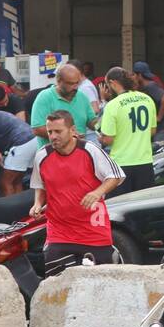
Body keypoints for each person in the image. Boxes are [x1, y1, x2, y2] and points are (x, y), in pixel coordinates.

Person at [29, 110, 123, 274]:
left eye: (58, 131)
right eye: (50, 132)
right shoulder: (42, 155)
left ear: (72, 130)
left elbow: (115, 175)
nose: (53, 136)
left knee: (100, 284)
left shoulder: (90, 150)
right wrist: (37, 204)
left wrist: (97, 192)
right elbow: (40, 185)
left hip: (93, 231)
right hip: (59, 233)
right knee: (58, 285)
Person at [98, 67, 157, 195]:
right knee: (144, 208)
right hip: (145, 163)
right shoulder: (147, 99)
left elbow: (108, 139)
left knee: (121, 208)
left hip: (121, 164)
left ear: (113, 83)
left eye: (108, 85)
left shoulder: (112, 105)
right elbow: (152, 131)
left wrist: (100, 138)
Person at [132, 62, 164, 135]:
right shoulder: (142, 86)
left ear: (139, 75)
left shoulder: (150, 86)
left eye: (134, 74)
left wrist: (159, 117)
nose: (133, 77)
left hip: (160, 126)